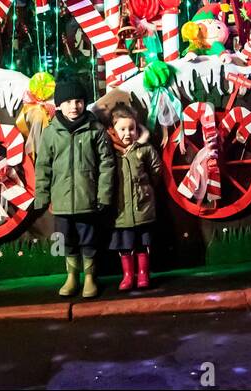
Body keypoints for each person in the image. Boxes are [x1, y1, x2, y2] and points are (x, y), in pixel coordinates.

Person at [33, 76, 115, 299]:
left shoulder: (95, 130)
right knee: (64, 238)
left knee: (88, 237)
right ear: (59, 104)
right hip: (60, 200)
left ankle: (90, 277)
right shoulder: (51, 132)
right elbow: (43, 166)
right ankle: (71, 275)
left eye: (78, 101)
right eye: (68, 102)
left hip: (87, 198)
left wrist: (104, 194)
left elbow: (107, 164)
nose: (74, 106)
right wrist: (42, 195)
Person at [106, 104, 163, 291]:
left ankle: (143, 274)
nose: (127, 133)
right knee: (124, 245)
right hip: (120, 210)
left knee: (143, 244)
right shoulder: (111, 153)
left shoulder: (144, 149)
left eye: (131, 128)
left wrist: (147, 189)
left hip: (142, 207)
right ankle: (128, 275)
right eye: (122, 129)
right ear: (113, 130)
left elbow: (156, 169)